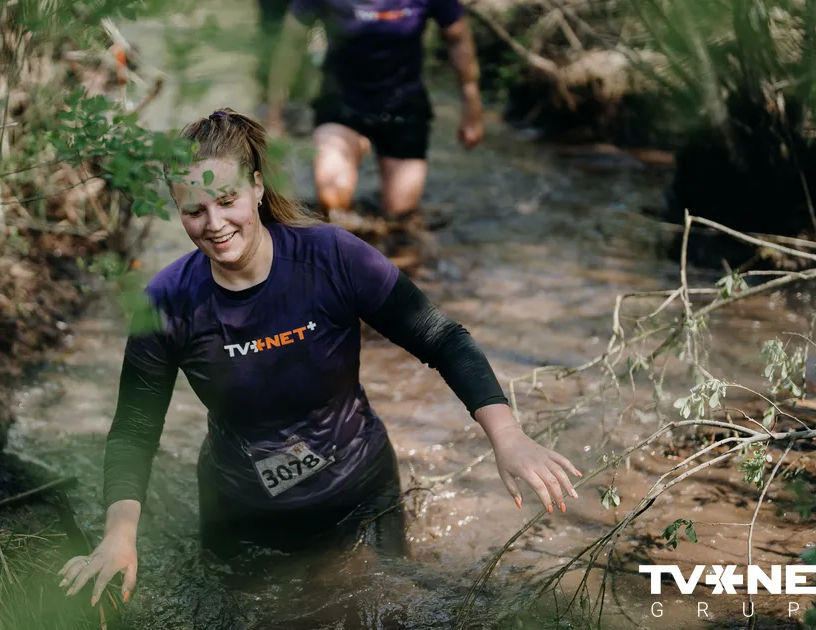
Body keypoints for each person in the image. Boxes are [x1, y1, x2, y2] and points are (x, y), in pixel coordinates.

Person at [57, 109, 580, 606]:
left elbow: (443, 339)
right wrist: (119, 537)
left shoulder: (331, 257)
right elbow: (133, 430)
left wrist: (506, 436)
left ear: (257, 188)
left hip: (360, 496)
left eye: (226, 200)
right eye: (194, 210)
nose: (214, 224)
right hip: (242, 517)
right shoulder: (168, 301)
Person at [265, 0, 485, 271]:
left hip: (403, 110)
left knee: (400, 220)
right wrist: (274, 114)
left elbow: (457, 37)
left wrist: (471, 103)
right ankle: (339, 275)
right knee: (333, 198)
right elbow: (291, 42)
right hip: (341, 105)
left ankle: (394, 284)